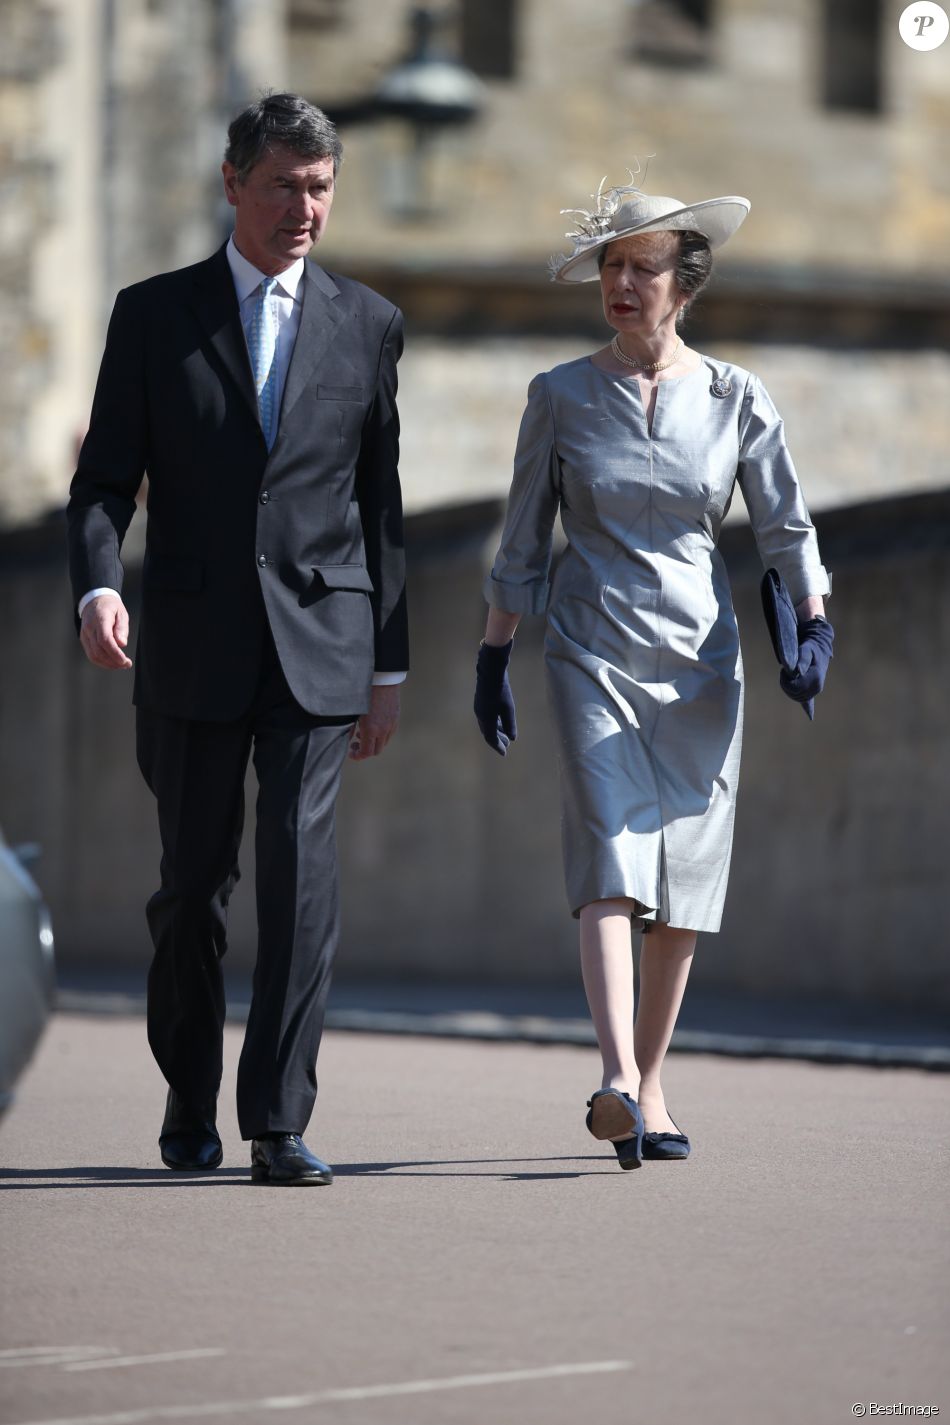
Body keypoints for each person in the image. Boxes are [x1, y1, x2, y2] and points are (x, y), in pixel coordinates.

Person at [67, 94, 408, 1187]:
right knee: (189, 893)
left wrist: (386, 666)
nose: (302, 209)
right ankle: (186, 1094)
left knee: (301, 884)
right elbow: (101, 485)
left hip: (320, 642)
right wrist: (95, 589)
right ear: (231, 185)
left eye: (318, 189)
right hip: (191, 641)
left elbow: (381, 504)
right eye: (281, 187)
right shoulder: (153, 316)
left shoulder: (368, 323)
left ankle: (276, 1121)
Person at [474, 177, 833, 1171]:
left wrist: (811, 625)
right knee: (609, 860)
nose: (622, 285)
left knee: (683, 882)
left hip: (701, 665)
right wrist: (495, 649)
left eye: (643, 267)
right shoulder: (557, 394)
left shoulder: (734, 398)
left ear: (685, 282)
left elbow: (782, 522)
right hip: (587, 649)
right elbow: (519, 538)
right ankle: (614, 1079)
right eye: (611, 267)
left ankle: (652, 1082)